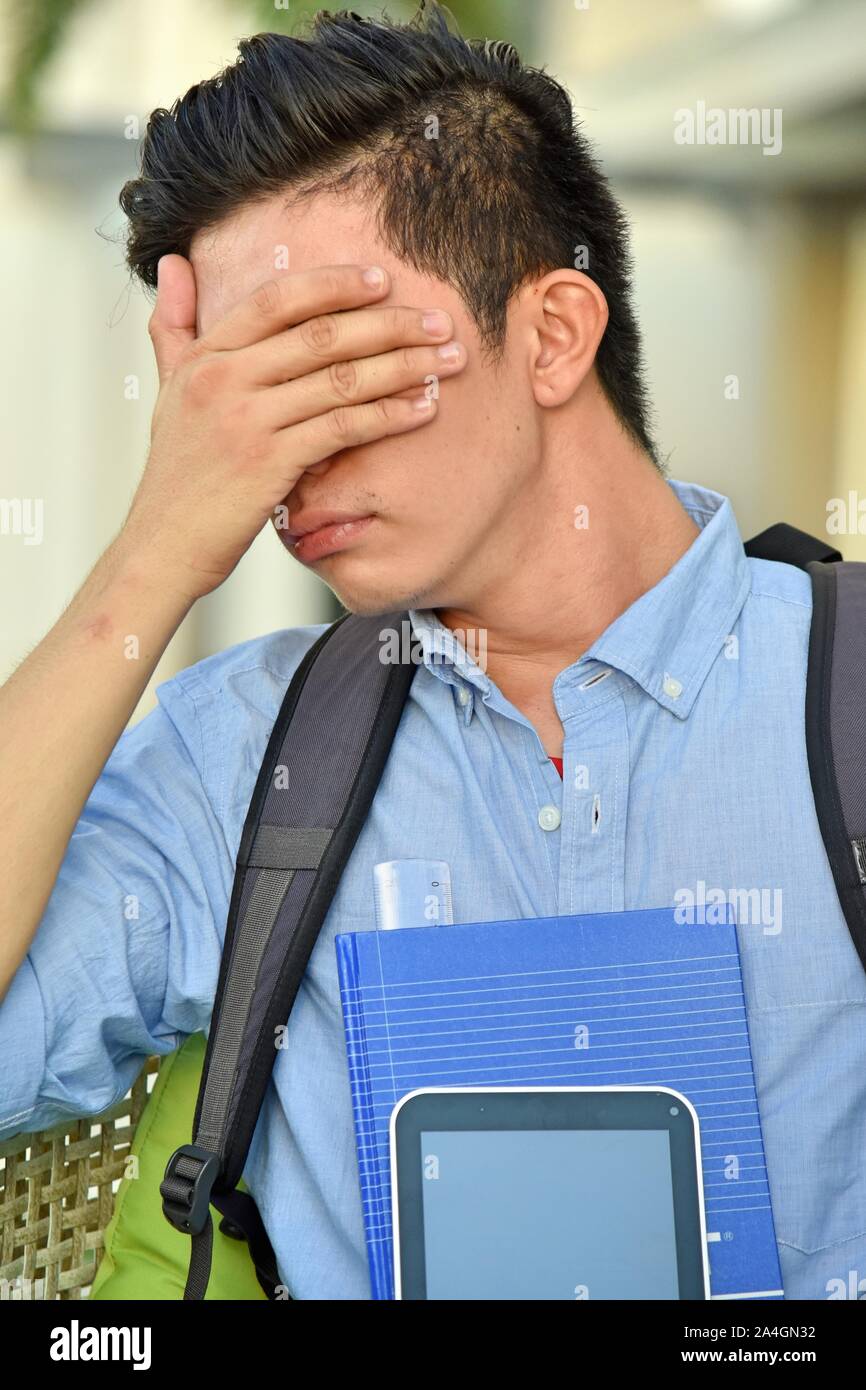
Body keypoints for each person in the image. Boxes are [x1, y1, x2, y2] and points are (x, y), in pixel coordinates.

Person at [1, 3, 863, 1301]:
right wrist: (150, 561)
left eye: (329, 368)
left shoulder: (839, 697)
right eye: (237, 402)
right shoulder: (240, 757)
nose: (281, 459)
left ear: (554, 335)